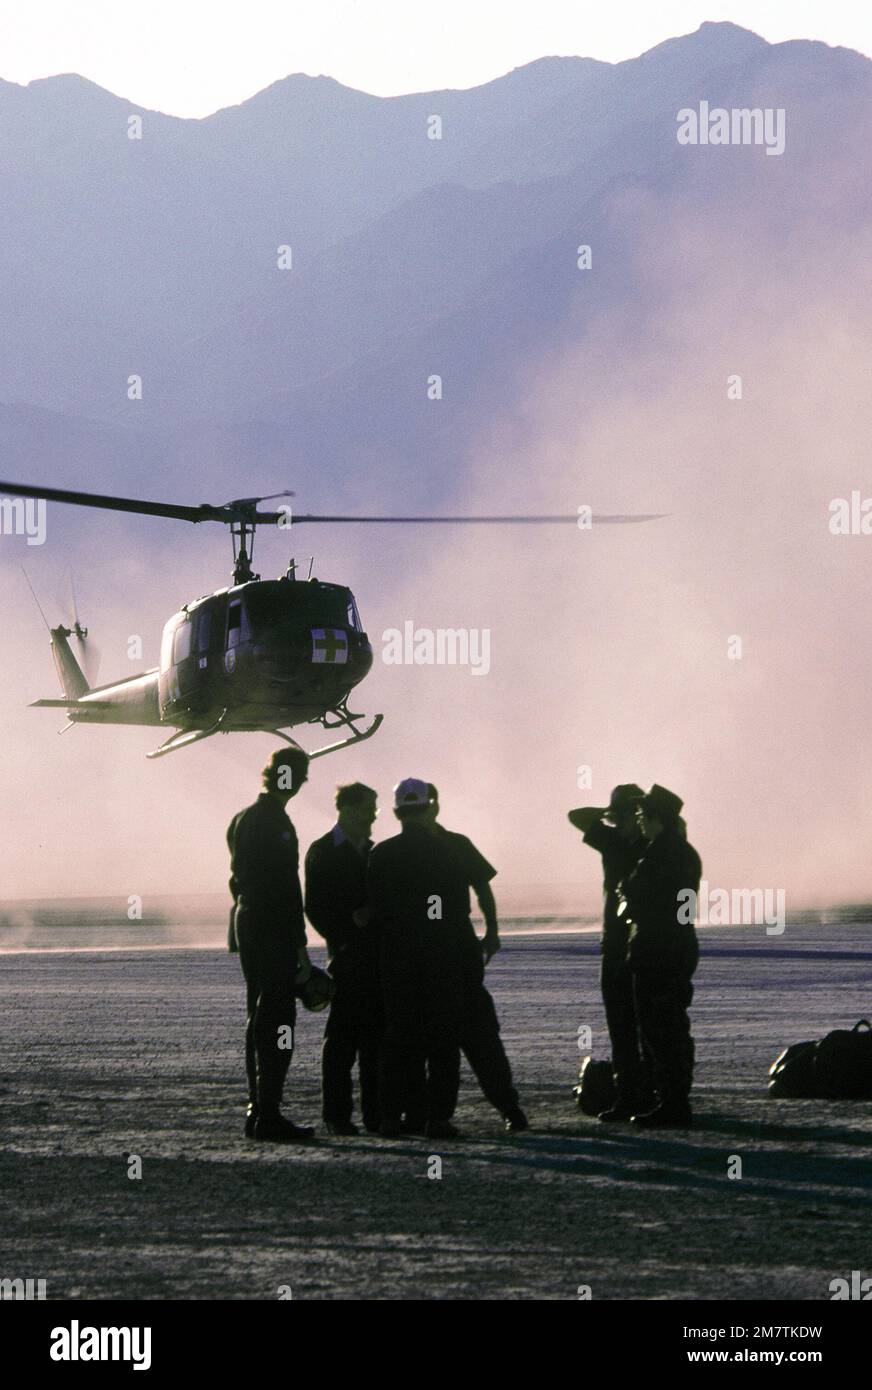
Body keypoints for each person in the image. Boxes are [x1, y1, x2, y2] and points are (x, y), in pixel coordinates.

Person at [367, 779, 470, 1139]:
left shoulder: (381, 854)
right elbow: (458, 909)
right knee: (442, 1041)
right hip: (439, 957)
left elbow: (376, 909)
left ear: (397, 812)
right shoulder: (446, 851)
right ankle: (437, 1118)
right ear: (429, 808)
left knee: (399, 1040)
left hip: (397, 958)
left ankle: (392, 1117)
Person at [427, 784, 528, 1134]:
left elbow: (483, 888)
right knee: (475, 1038)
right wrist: (492, 932)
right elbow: (482, 886)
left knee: (452, 1041)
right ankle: (506, 1108)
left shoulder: (400, 850)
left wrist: (493, 931)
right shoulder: (456, 844)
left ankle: (442, 1115)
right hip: (455, 951)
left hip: (443, 954)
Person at [227, 747, 316, 1143]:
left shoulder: (242, 819)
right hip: (271, 928)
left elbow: (238, 880)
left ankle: (257, 1107)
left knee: (258, 1014)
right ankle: (269, 1112)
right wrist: (299, 943)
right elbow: (285, 888)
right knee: (278, 1018)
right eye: (298, 775)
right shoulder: (276, 822)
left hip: (248, 921)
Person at [621, 784, 702, 1128]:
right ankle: (672, 1099)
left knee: (661, 1029)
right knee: (669, 1027)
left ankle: (672, 1103)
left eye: (642, 814)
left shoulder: (660, 854)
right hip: (674, 945)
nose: (638, 820)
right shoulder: (682, 852)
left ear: (657, 818)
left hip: (658, 949)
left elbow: (641, 902)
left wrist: (629, 893)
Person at [568, 784, 650, 1121]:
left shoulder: (653, 846)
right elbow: (576, 816)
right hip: (615, 946)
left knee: (648, 1026)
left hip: (644, 944)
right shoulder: (612, 840)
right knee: (620, 1027)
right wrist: (610, 814)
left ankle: (651, 1092)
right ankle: (630, 1094)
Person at [304, 782, 382, 1136]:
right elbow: (314, 908)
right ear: (348, 811)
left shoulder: (374, 851)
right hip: (349, 958)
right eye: (368, 809)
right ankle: (337, 1115)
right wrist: (346, 931)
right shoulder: (323, 851)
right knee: (342, 1040)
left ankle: (375, 1114)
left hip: (377, 957)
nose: (373, 816)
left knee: (374, 1041)